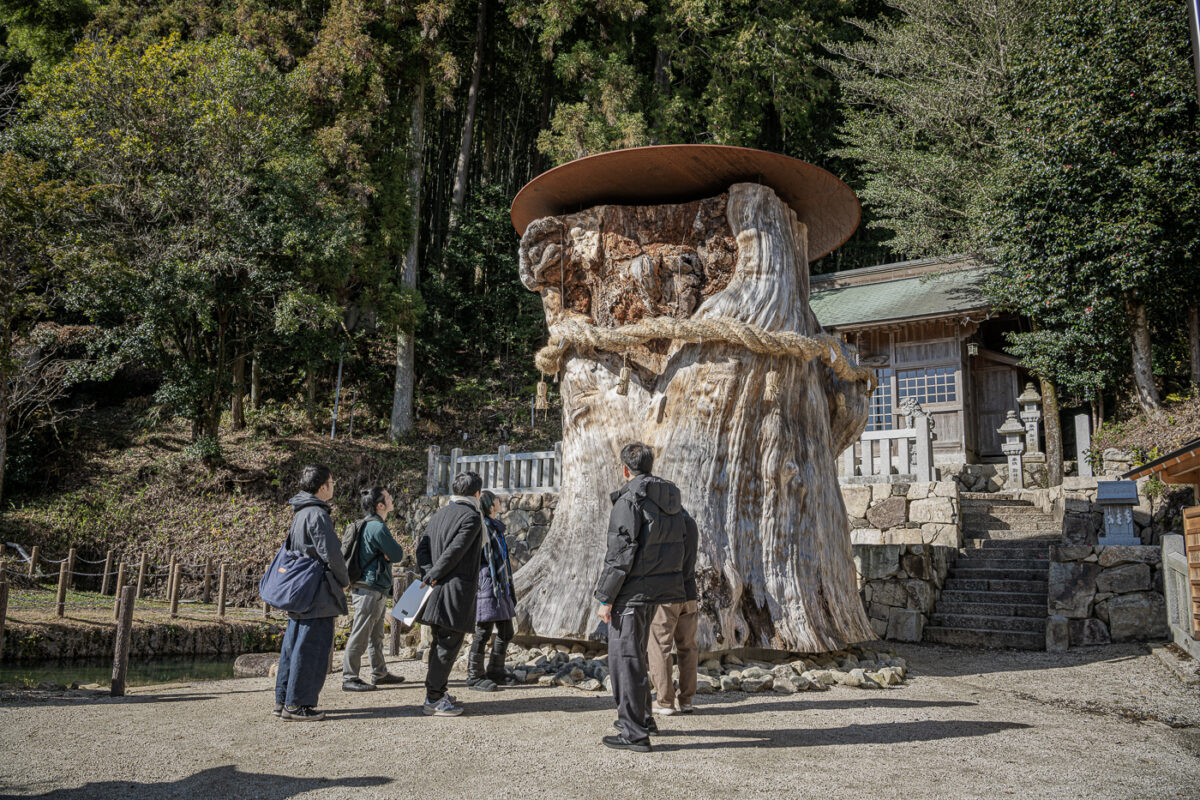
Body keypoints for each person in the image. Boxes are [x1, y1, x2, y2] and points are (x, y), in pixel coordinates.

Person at [595, 443, 694, 753]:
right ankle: (643, 718)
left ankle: (634, 731)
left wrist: (606, 597)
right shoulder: (671, 498)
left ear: (626, 469)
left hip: (632, 592)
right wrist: (681, 579)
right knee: (637, 653)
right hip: (661, 590)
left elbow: (620, 553)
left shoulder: (629, 499)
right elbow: (689, 535)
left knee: (624, 659)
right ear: (650, 466)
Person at [274, 464, 349, 722]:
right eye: (332, 482)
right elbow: (332, 554)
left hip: (298, 587)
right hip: (316, 591)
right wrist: (344, 580)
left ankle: (283, 699)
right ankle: (298, 704)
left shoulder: (300, 513)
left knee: (292, 646)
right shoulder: (317, 514)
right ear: (322, 487)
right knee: (311, 649)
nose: (334, 486)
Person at [416, 471, 484, 717]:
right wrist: (434, 573)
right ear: (477, 493)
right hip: (454, 590)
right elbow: (456, 551)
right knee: (447, 645)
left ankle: (438, 691)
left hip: (435, 588)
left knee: (440, 642)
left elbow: (421, 547)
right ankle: (433, 698)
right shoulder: (472, 517)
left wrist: (427, 573)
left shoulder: (439, 514)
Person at [342, 486, 407, 692]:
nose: (391, 499)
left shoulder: (366, 525)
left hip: (369, 588)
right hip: (369, 588)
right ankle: (349, 677)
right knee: (361, 634)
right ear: (380, 505)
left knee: (375, 636)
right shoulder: (377, 528)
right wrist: (388, 554)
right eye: (388, 497)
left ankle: (379, 673)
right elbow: (397, 555)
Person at [647, 517, 700, 715]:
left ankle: (664, 700)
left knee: (660, 646)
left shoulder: (661, 522)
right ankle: (686, 700)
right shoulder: (690, 521)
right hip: (689, 591)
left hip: (666, 594)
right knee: (689, 647)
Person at [465, 490, 517, 692]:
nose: (499, 501)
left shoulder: (495, 526)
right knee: (484, 630)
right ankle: (474, 674)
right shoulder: (485, 525)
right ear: (490, 505)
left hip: (499, 583)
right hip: (488, 582)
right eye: (496, 499)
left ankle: (496, 669)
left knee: (506, 630)